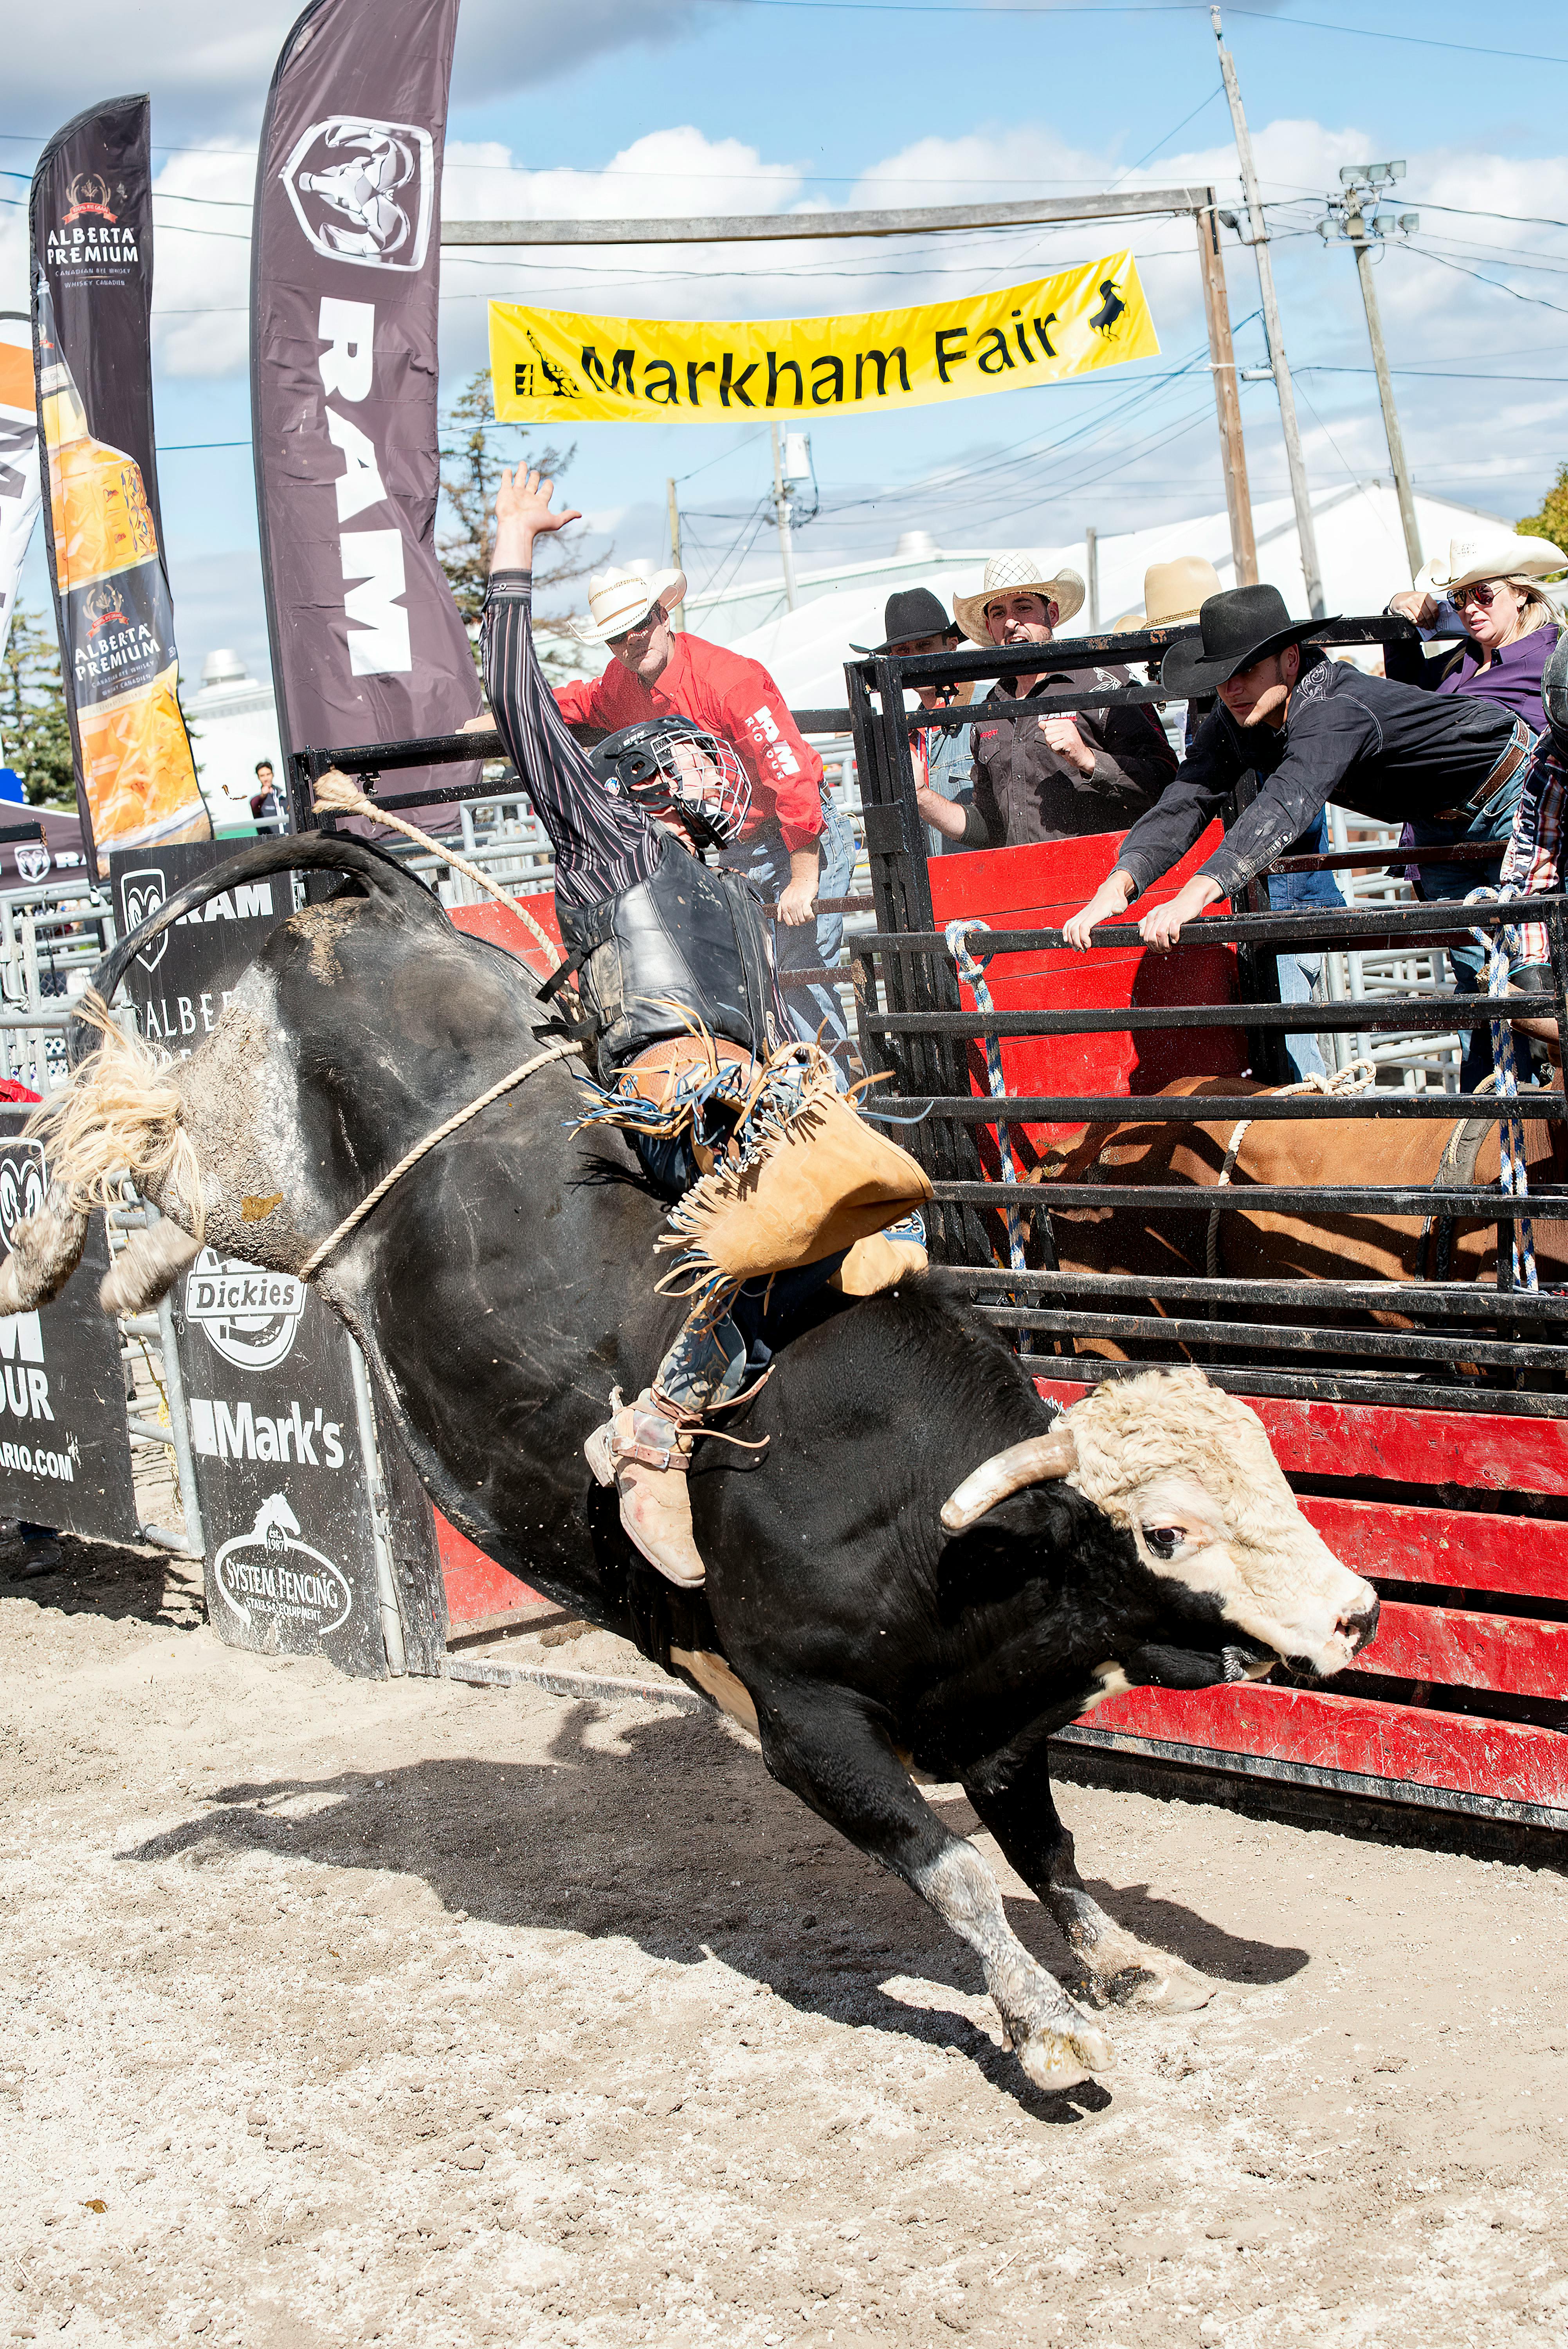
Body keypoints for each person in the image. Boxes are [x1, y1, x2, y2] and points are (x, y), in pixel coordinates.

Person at [483, 472, 928, 1589]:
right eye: (685, 757)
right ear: (644, 783)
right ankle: (653, 1436)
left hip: (750, 1089)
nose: (706, 767)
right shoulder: (612, 841)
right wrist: (508, 552)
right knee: (781, 1230)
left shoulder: (720, 887)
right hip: (676, 1089)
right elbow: (523, 712)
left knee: (894, 1236)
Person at [1061, 584, 1531, 1090]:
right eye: (1221, 678)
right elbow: (1187, 796)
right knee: (1480, 979)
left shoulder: (1335, 706)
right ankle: (1499, 1132)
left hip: (1512, 793)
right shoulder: (1238, 718)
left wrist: (1193, 895)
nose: (1231, 690)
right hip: (1441, 821)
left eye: (1245, 672)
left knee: (1529, 976)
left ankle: (1529, 1117)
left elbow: (1286, 802)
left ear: (1289, 660)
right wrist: (1119, 883)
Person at [554, 566, 855, 1067]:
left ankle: (832, 1109)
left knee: (799, 977)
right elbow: (581, 703)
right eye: (616, 635)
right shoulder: (622, 685)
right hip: (737, 844)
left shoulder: (729, 679)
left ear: (662, 616)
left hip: (794, 837)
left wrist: (803, 878)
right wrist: (498, 715)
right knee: (750, 982)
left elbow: (790, 773)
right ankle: (782, 1103)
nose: (632, 641)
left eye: (640, 624)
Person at [946, 552, 1176, 850]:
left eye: (1024, 607)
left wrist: (1088, 760)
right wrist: (922, 795)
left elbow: (1167, 780)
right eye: (999, 613)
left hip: (1109, 882)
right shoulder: (989, 710)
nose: (1011, 622)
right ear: (990, 628)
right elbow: (990, 827)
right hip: (1027, 888)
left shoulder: (1101, 682)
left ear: (1051, 614)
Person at [1384, 530, 1564, 736]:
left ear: (1519, 594)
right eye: (1460, 598)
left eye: (1482, 593)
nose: (1469, 609)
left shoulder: (1545, 666)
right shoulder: (1466, 656)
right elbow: (1404, 690)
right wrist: (1397, 609)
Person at [852, 587, 975, 855]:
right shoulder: (905, 732)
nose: (915, 659)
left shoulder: (988, 706)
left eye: (925, 645)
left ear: (952, 645)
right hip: (936, 884)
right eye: (904, 651)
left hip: (988, 876)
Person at [250, 759, 281, 827]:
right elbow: (254, 804)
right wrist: (263, 795)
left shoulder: (282, 795)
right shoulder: (259, 801)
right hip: (269, 837)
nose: (266, 778)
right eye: (262, 776)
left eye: (268, 774)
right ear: (259, 778)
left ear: (273, 774)